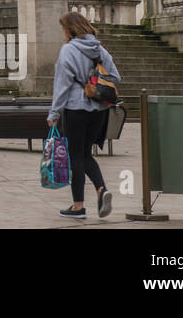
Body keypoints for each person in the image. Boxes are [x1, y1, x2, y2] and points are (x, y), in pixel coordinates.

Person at [48, 11, 122, 219]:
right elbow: (116, 77)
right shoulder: (99, 49)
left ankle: (78, 206)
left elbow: (62, 85)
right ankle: (101, 189)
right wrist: (95, 81)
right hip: (98, 110)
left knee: (75, 156)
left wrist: (54, 112)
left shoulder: (68, 51)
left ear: (69, 29)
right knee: (86, 153)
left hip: (75, 109)